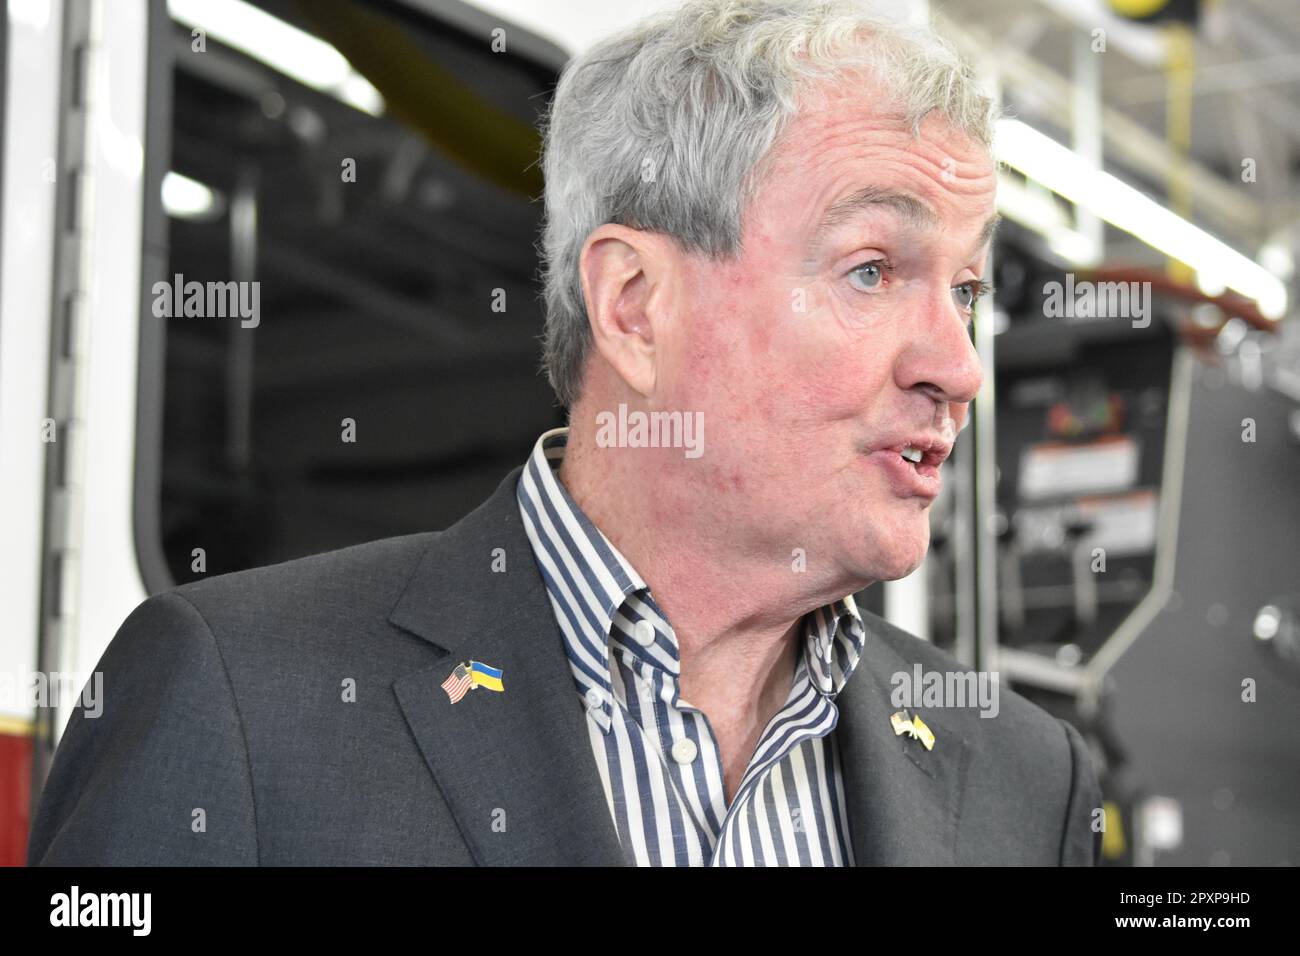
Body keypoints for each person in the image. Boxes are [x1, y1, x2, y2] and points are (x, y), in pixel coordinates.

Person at [28, 0, 1102, 866]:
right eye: (871, 271)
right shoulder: (242, 704)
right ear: (634, 306)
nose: (958, 366)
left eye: (965, 289)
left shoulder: (1023, 779)